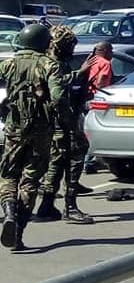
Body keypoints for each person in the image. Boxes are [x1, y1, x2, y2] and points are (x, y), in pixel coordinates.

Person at [0, 23, 62, 251]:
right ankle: (18, 234)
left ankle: (8, 212)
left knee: (8, 175)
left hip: (13, 129)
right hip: (41, 132)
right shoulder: (49, 65)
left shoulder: (9, 64)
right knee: (30, 180)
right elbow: (58, 97)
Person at [34, 25, 95, 225]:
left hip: (50, 123)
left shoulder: (43, 63)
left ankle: (46, 205)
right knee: (75, 157)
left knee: (56, 162)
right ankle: (70, 206)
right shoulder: (55, 65)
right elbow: (58, 95)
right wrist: (80, 74)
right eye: (69, 46)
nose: (72, 50)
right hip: (62, 122)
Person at [82, 41, 114, 177]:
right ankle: (89, 162)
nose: (112, 53)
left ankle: (90, 160)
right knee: (96, 132)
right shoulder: (105, 64)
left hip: (84, 98)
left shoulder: (90, 61)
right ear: (105, 50)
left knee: (87, 131)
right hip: (96, 99)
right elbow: (102, 81)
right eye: (111, 50)